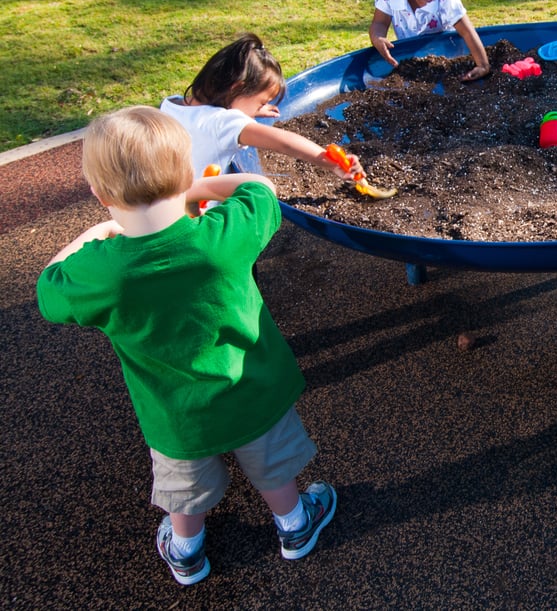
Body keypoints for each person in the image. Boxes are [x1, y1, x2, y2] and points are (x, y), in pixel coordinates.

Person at [36, 106, 337, 586]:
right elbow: (262, 191)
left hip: (175, 413)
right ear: (184, 173)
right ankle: (295, 526)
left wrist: (94, 235)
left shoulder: (101, 272)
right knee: (271, 466)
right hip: (251, 390)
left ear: (98, 193)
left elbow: (49, 289)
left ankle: (186, 552)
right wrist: (199, 190)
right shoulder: (222, 236)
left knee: (183, 488)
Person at [161, 33, 365, 181]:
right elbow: (285, 143)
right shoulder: (223, 124)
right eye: (261, 102)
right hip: (201, 220)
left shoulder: (171, 105)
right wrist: (331, 162)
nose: (262, 107)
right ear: (237, 89)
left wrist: (253, 108)